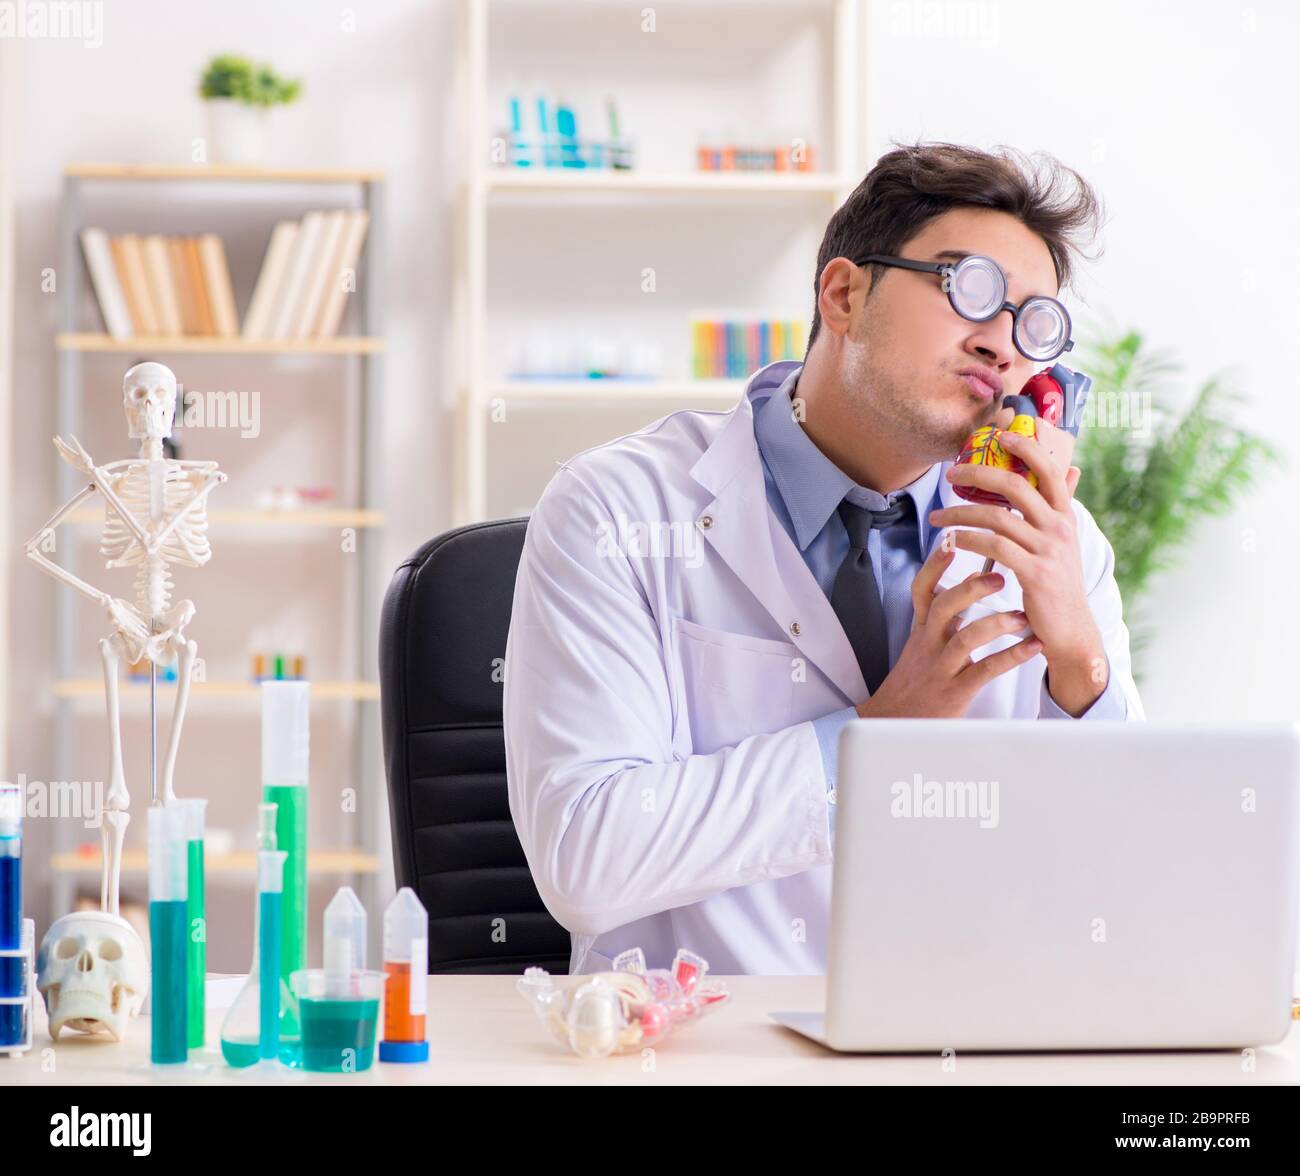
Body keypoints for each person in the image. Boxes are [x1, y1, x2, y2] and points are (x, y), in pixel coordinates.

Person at [504, 142, 1144, 975]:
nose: (1003, 348)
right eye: (970, 290)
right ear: (844, 295)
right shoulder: (617, 510)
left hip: (958, 1030)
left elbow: (1114, 881)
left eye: (1033, 323)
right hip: (705, 1033)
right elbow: (586, 860)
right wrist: (879, 737)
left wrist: (1081, 667)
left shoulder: (1058, 542)